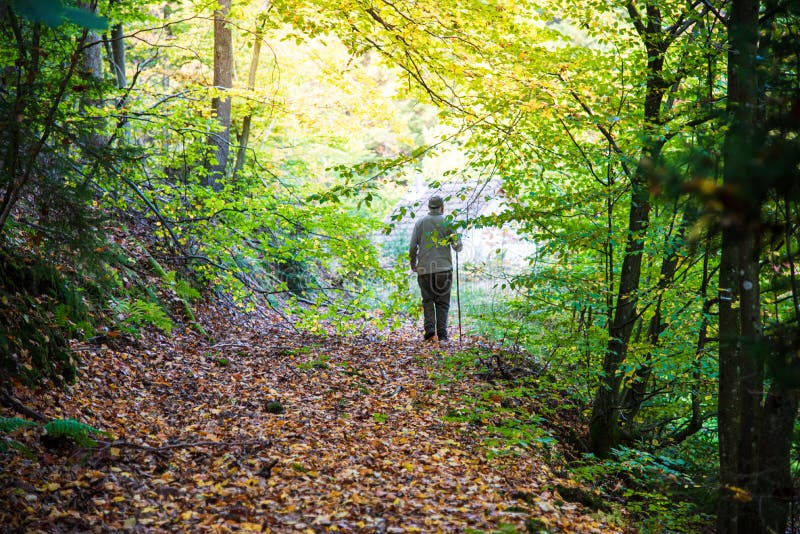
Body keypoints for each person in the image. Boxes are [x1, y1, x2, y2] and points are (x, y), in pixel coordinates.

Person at [409, 195, 463, 343]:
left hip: (424, 270)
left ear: (428, 207)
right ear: (442, 206)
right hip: (443, 270)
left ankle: (430, 331)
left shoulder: (420, 223)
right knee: (442, 303)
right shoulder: (448, 222)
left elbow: (413, 247)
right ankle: (443, 335)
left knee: (428, 301)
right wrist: (458, 239)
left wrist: (413, 264)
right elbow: (457, 246)